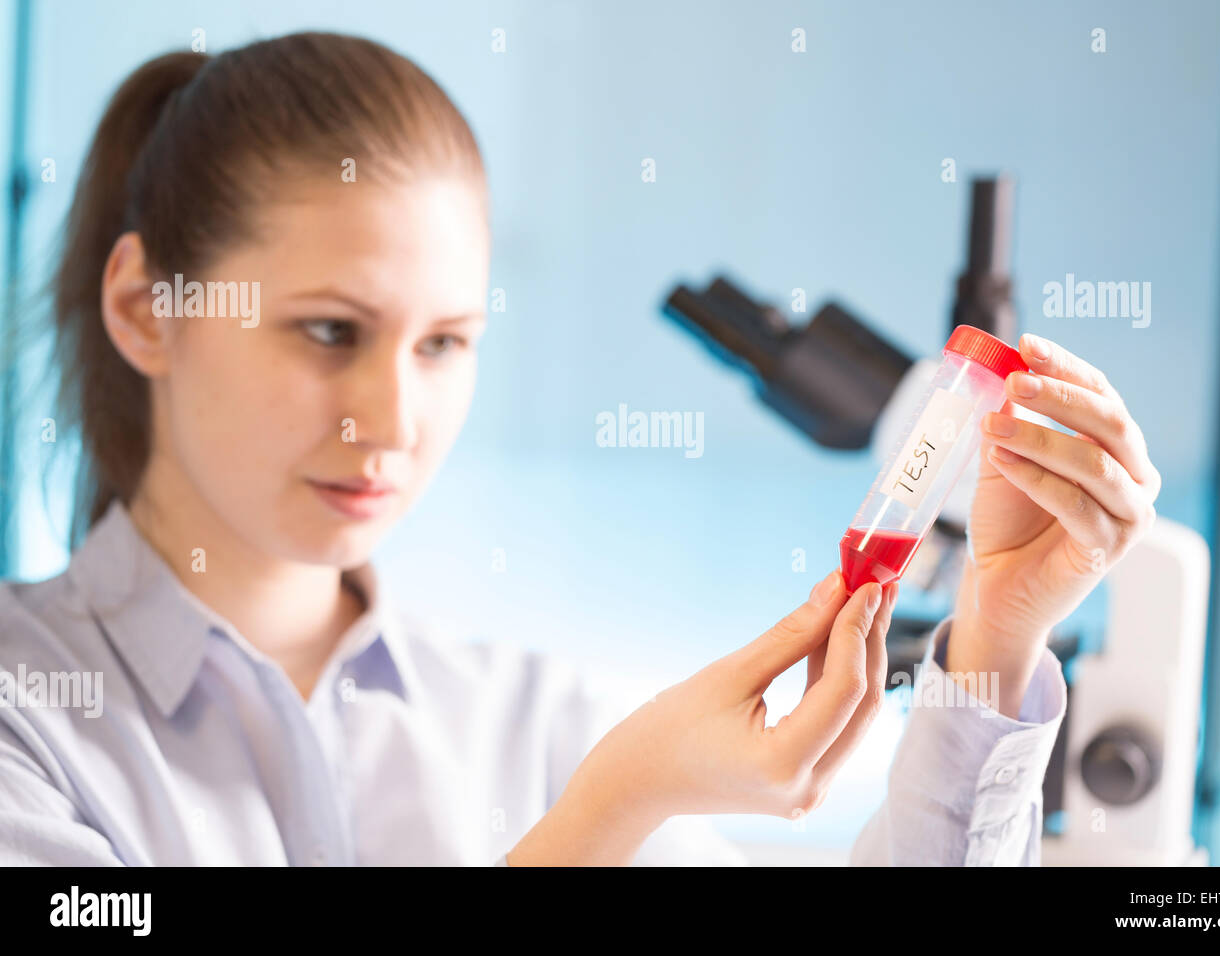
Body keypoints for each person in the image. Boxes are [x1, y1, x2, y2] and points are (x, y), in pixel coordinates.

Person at [0, 33, 1160, 867]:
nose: (394, 421)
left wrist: (996, 641)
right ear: (149, 308)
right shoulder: (28, 714)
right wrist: (614, 806)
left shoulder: (530, 721)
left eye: (444, 342)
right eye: (327, 330)